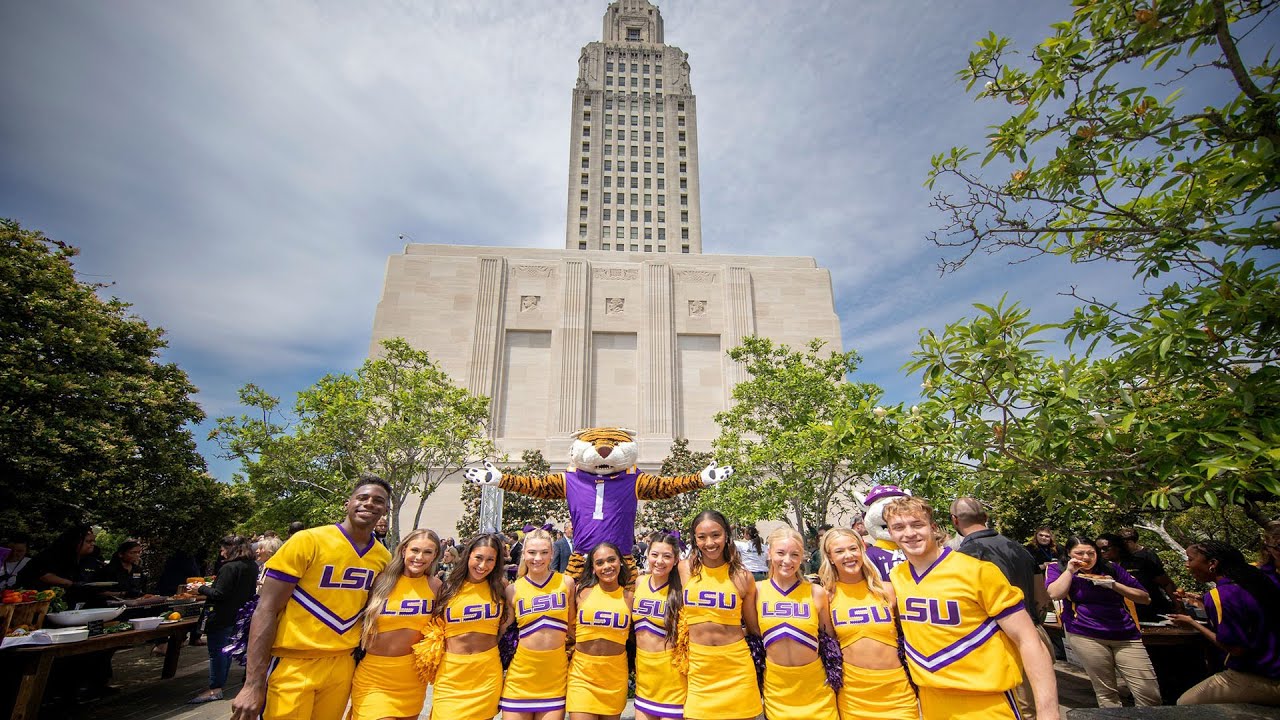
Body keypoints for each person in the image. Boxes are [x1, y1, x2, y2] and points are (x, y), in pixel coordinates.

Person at [229, 475, 393, 720]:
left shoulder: (383, 557)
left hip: (342, 664)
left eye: (378, 501)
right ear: (347, 503)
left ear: (385, 511)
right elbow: (266, 609)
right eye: (362, 497)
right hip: (293, 662)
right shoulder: (308, 540)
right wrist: (253, 684)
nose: (369, 503)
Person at [885, 497, 1059, 720]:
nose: (909, 533)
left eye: (917, 524)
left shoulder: (978, 571)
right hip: (931, 701)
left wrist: (1048, 712)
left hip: (986, 701)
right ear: (890, 534)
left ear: (934, 527)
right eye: (898, 527)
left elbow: (1029, 640)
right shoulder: (898, 577)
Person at [950, 498, 1048, 718]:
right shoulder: (1020, 549)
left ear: (954, 521)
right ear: (986, 517)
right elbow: (1042, 596)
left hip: (1000, 642)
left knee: (1019, 710)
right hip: (1036, 635)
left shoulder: (965, 556)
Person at [1046, 535, 1160, 708]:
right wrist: (1070, 571)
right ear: (1069, 553)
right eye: (1079, 553)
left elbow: (1145, 598)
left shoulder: (1110, 568)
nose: (1085, 558)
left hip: (1125, 634)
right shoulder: (1058, 568)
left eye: (1091, 553)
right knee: (1106, 692)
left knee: (1149, 692)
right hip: (1085, 633)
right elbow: (1055, 593)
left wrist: (1114, 585)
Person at [821, 528, 918, 719]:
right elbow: (829, 644)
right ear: (830, 557)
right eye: (839, 551)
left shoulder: (887, 590)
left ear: (862, 550)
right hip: (854, 696)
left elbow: (908, 634)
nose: (848, 556)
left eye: (853, 548)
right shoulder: (826, 596)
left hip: (898, 692)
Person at [1169, 540, 1280, 705]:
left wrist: (1193, 623)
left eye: (1190, 559)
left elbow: (1235, 649)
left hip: (1261, 677)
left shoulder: (1221, 595)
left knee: (1185, 704)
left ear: (1212, 564)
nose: (1187, 565)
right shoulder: (1258, 581)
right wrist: (1203, 602)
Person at [348, 529, 442, 720]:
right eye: (415, 550)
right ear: (403, 550)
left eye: (427, 552)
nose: (419, 557)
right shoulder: (380, 581)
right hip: (374, 675)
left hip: (412, 677)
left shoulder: (436, 586)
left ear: (435, 556)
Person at [679, 510, 762, 720]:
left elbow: (753, 628)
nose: (710, 543)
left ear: (726, 535)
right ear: (694, 539)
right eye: (702, 537)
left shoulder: (743, 576)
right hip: (699, 669)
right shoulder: (685, 569)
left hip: (736, 668)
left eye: (716, 535)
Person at [757, 527, 838, 720]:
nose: (787, 560)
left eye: (795, 554)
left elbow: (830, 639)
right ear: (769, 553)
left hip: (815, 686)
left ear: (802, 557)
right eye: (780, 553)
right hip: (777, 688)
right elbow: (752, 632)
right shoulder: (757, 591)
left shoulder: (816, 592)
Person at [430, 533, 508, 720]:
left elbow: (506, 628)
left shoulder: (501, 587)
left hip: (486, 673)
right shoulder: (447, 587)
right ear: (468, 556)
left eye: (490, 560)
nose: (483, 566)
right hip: (451, 673)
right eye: (478, 558)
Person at [500, 528, 575, 720]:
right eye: (532, 552)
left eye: (544, 552)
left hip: (554, 675)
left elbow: (574, 626)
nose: (537, 558)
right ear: (524, 554)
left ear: (552, 554)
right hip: (521, 675)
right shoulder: (514, 589)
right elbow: (500, 630)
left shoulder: (566, 583)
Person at [188, 535, 260, 704]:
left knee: (218, 653)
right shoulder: (251, 566)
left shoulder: (229, 568)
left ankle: (215, 688)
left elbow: (220, 594)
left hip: (221, 616)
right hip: (240, 615)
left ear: (231, 549)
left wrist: (201, 588)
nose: (221, 554)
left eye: (222, 549)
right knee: (228, 651)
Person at [566, 542, 632, 720]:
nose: (607, 566)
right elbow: (569, 626)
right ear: (593, 568)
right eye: (600, 563)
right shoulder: (581, 592)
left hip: (614, 676)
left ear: (620, 562)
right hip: (582, 675)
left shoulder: (630, 597)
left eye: (611, 560)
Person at [632, 534, 686, 720]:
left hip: (672, 679)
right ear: (647, 554)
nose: (659, 561)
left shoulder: (681, 590)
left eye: (667, 556)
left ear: (676, 560)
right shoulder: (639, 583)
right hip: (645, 678)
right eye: (654, 554)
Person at [1115, 527, 1179, 620]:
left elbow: (1165, 582)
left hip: (1152, 605)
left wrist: (1178, 604)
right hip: (1130, 607)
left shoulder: (1147, 555)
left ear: (1129, 542)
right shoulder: (1119, 557)